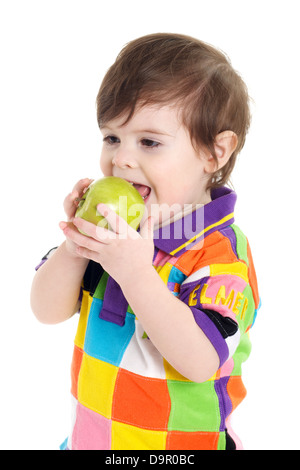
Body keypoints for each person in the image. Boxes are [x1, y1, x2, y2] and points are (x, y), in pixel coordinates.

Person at [30, 33, 260, 450]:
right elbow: (46, 311)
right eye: (112, 138)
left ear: (215, 152)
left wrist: (136, 273)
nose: (120, 159)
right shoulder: (117, 231)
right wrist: (73, 248)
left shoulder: (220, 254)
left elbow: (200, 361)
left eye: (149, 142)